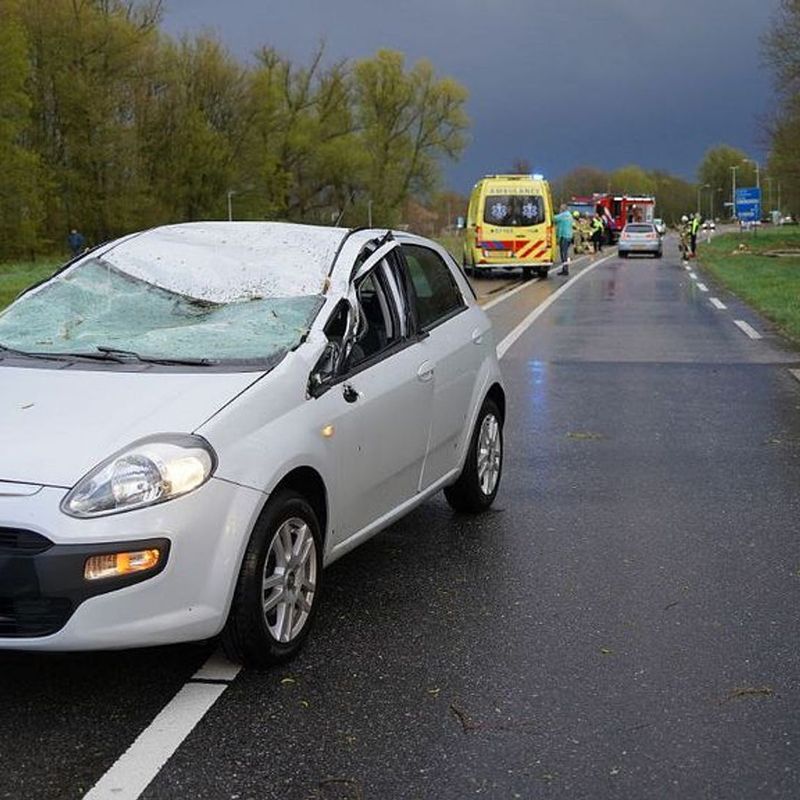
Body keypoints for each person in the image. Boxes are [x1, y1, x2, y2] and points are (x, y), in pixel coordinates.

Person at [553, 204, 574, 276]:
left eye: (561, 208)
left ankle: (565, 270)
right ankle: (565, 268)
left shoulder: (563, 215)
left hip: (564, 236)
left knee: (563, 253)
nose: (560, 209)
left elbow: (553, 218)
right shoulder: (569, 215)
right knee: (565, 253)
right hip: (569, 236)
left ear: (563, 209)